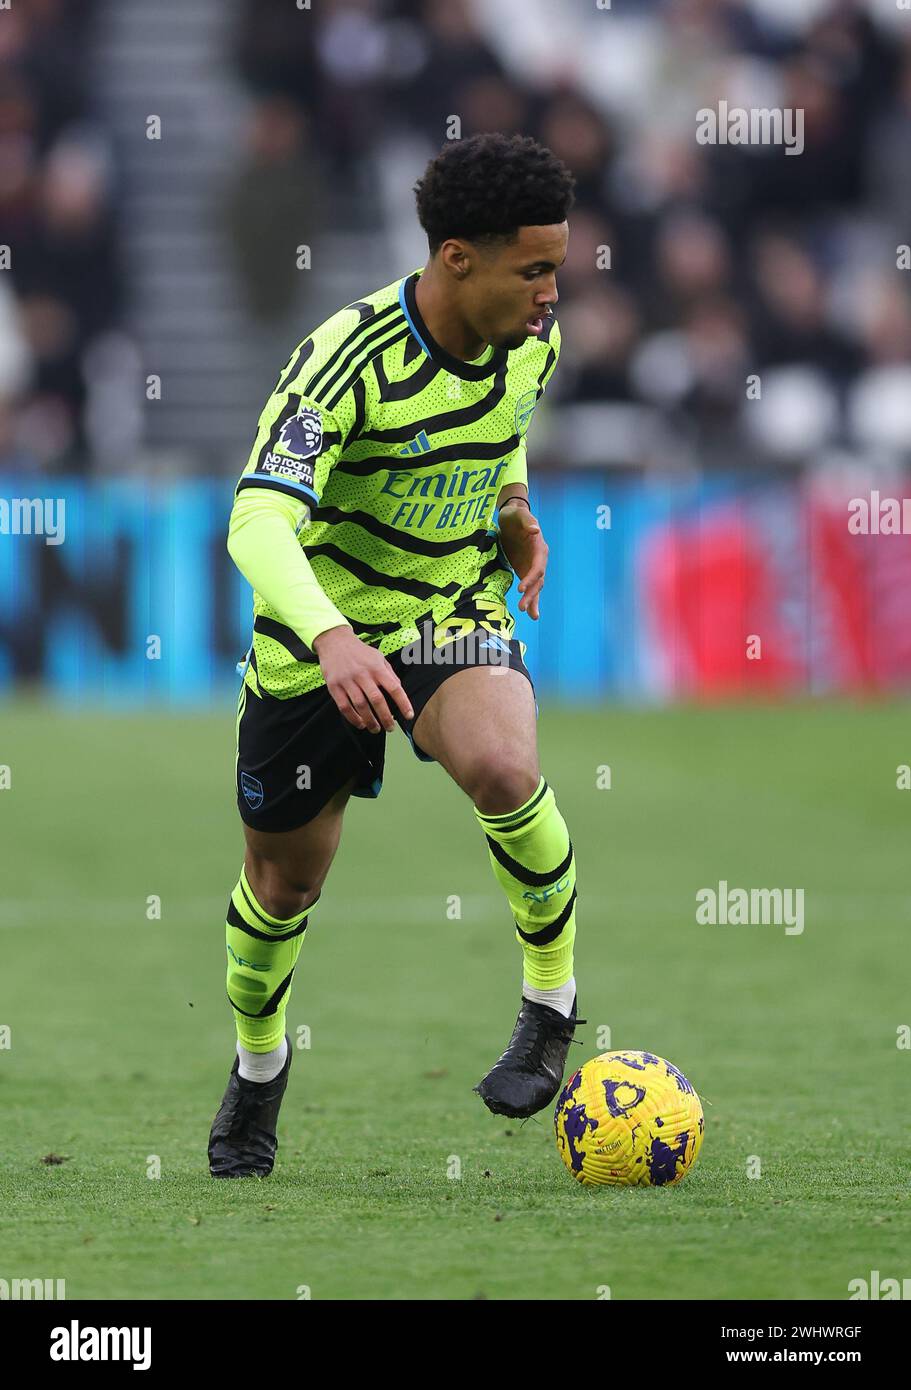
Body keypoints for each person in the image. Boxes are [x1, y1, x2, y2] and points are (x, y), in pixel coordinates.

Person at [208, 132, 582, 1178]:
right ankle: (257, 1066)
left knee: (505, 766)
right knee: (283, 886)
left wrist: (512, 506)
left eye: (557, 265)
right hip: (316, 639)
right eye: (534, 269)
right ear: (456, 258)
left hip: (448, 609)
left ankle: (549, 1005)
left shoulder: (531, 343)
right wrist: (328, 636)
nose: (552, 291)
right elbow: (254, 521)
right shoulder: (346, 357)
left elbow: (500, 426)